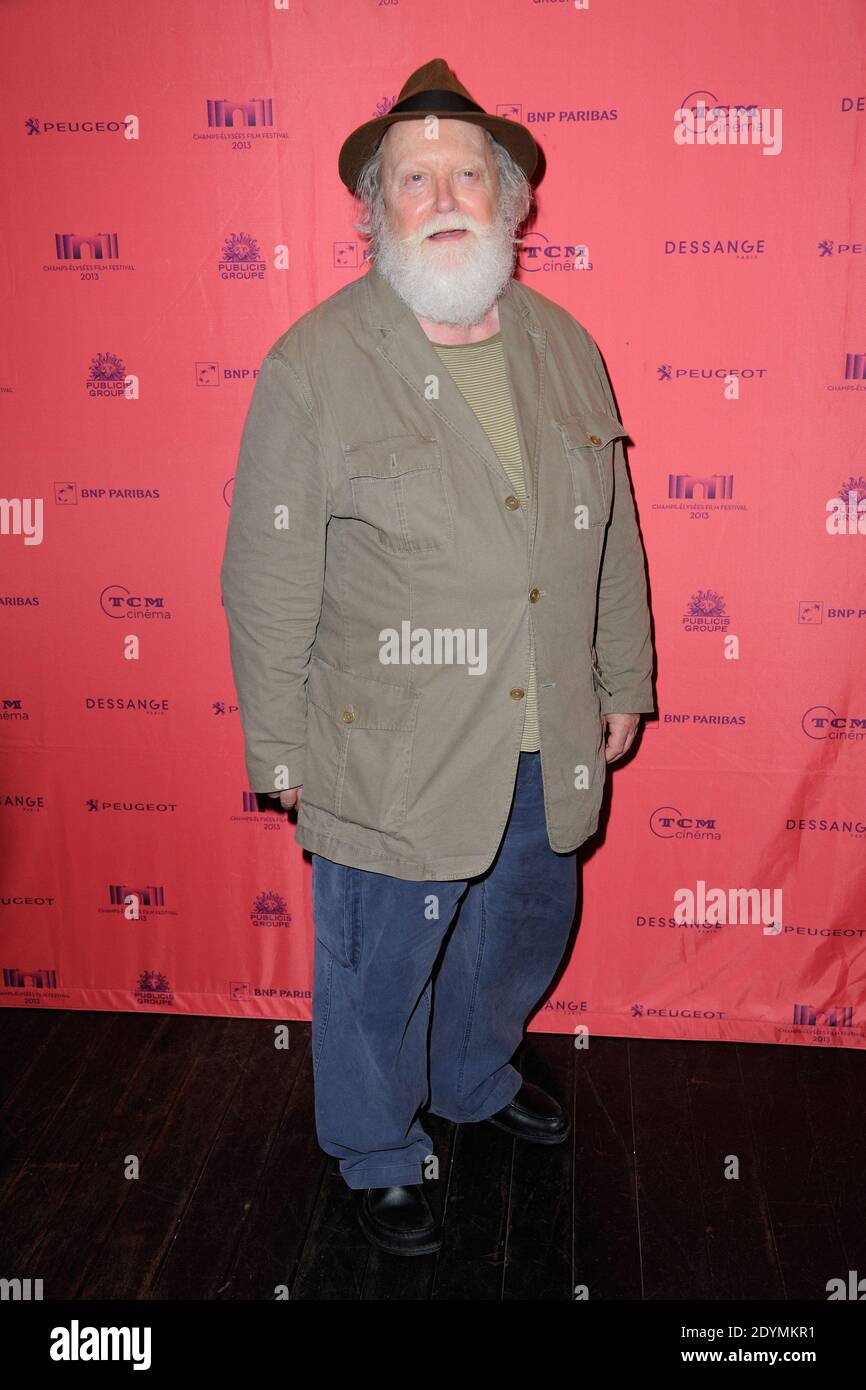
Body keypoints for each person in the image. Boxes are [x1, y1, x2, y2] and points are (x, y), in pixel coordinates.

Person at [219, 58, 655, 1257]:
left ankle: (470, 1075)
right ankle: (374, 1146)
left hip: (545, 722)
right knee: (381, 963)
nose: (444, 197)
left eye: (468, 174)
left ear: (512, 199)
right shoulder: (315, 363)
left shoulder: (565, 346)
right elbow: (266, 573)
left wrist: (623, 674)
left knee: (519, 927)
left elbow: (610, 527)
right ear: (376, 209)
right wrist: (280, 745)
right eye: (414, 179)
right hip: (391, 743)